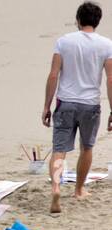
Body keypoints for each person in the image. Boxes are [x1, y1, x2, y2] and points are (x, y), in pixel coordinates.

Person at [42, 2, 112, 213]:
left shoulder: (64, 42)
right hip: (90, 103)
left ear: (78, 20)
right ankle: (79, 189)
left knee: (59, 149)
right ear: (97, 22)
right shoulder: (106, 45)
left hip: (66, 102)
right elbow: (110, 79)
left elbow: (54, 74)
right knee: (87, 147)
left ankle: (56, 188)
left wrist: (46, 105)